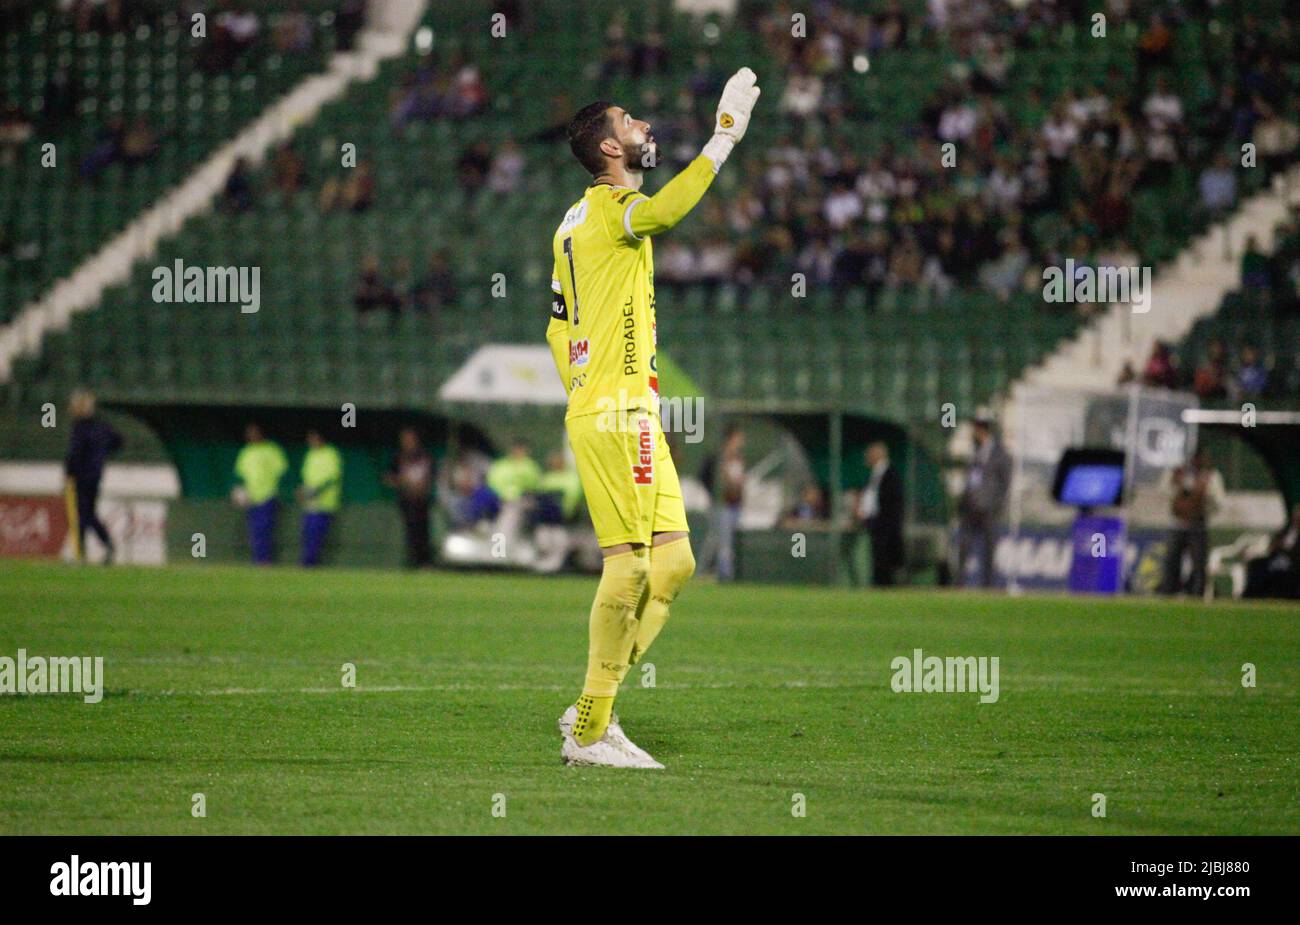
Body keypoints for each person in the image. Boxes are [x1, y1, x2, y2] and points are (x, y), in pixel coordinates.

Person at [545, 68, 760, 768]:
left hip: (621, 403)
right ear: (610, 150)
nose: (644, 127)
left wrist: (584, 384)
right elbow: (665, 212)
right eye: (631, 121)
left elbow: (556, 328)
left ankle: (592, 707)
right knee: (631, 566)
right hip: (617, 410)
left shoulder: (572, 225)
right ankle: (588, 727)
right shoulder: (610, 208)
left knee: (674, 562)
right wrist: (722, 141)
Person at [64, 391, 122, 563]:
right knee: (88, 513)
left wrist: (68, 473)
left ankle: (80, 553)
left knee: (82, 513)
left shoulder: (81, 428)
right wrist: (101, 456)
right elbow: (118, 441)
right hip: (95, 475)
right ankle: (106, 545)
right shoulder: (101, 427)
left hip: (82, 476)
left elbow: (74, 454)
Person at [1159, 450, 1224, 596]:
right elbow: (1165, 493)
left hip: (1198, 526)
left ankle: (1197, 595)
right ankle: (1168, 593)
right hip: (1177, 525)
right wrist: (1176, 484)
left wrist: (1205, 493)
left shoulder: (1211, 477)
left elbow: (1218, 502)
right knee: (1171, 563)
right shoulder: (1176, 473)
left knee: (1199, 565)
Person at [957, 415, 1011, 588]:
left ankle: (987, 587)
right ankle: (959, 585)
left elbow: (1005, 483)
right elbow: (971, 480)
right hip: (970, 508)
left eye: (975, 430)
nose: (973, 434)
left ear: (982, 431)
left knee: (989, 551)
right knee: (964, 547)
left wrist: (995, 504)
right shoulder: (975, 453)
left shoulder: (1000, 454)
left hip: (988, 510)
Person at [233, 423, 288, 565]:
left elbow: (281, 471)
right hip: (251, 498)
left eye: (254, 432)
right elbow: (240, 476)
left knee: (265, 530)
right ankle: (257, 561)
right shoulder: (245, 452)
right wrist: (240, 493)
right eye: (249, 433)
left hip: (267, 496)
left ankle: (266, 561)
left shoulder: (271, 450)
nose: (251, 435)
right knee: (254, 531)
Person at [383, 428, 434, 569]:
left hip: (422, 500)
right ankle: (413, 562)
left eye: (410, 438)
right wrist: (401, 481)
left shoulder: (424, 455)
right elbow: (388, 477)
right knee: (410, 531)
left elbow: (430, 476)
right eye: (405, 438)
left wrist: (419, 485)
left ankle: (425, 562)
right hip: (405, 500)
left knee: (423, 531)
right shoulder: (398, 457)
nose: (407, 441)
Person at [858, 441, 904, 587]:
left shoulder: (890, 473)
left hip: (886, 524)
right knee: (878, 557)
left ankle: (885, 586)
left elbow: (890, 500)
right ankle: (879, 585)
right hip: (876, 523)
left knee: (885, 558)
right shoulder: (874, 474)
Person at [298, 429, 343, 567]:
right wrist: (302, 491)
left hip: (325, 504)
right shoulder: (310, 455)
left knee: (316, 535)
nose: (311, 441)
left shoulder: (331, 453)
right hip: (310, 504)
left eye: (314, 438)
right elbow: (307, 478)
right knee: (307, 534)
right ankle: (307, 563)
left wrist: (316, 491)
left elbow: (332, 478)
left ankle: (310, 564)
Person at [1244, 503, 1300, 599]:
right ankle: (1250, 596)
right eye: (1296, 515)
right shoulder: (1286, 530)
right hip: (1277, 557)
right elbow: (1273, 545)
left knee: (1286, 569)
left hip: (1293, 562)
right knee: (1256, 565)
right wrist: (1276, 546)